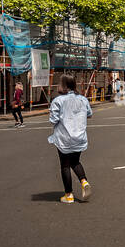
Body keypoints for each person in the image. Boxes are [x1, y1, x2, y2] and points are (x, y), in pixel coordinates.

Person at [48, 74, 93, 204]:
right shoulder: (83, 99)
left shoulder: (58, 101)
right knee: (75, 162)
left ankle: (69, 195)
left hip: (64, 137)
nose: (58, 86)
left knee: (65, 165)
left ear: (64, 86)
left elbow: (53, 120)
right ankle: (84, 181)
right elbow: (89, 114)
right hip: (79, 136)